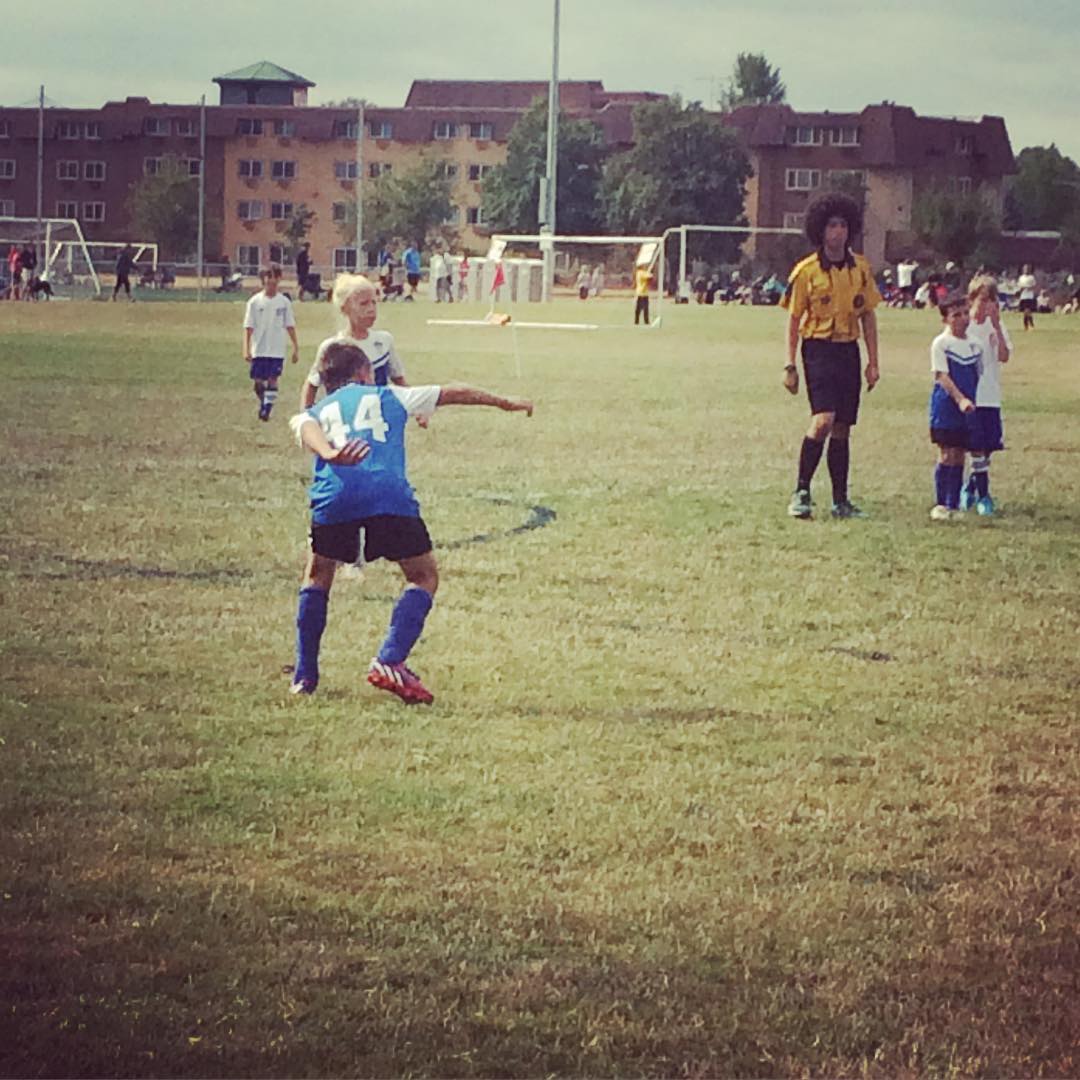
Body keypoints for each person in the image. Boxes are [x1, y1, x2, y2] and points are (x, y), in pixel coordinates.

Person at [286, 341, 533, 701]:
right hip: (388, 496)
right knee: (423, 576)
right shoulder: (391, 395)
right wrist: (504, 402)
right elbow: (455, 391)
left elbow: (307, 428)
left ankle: (304, 675)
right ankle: (390, 658)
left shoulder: (315, 410)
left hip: (334, 497)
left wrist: (329, 453)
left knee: (317, 576)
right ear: (363, 374)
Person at [781, 192, 881, 520]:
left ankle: (840, 500)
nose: (837, 232)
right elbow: (794, 319)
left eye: (842, 225)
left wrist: (873, 361)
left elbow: (868, 315)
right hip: (818, 349)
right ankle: (801, 491)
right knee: (822, 420)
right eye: (831, 226)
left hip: (848, 350)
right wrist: (790, 365)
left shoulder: (861, 269)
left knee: (842, 428)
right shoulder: (806, 272)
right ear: (819, 231)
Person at [299, 273, 411, 410]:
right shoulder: (332, 348)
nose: (371, 309)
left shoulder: (384, 341)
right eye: (364, 304)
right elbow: (312, 384)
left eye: (374, 302)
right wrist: (306, 417)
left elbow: (399, 380)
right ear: (344, 308)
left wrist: (418, 410)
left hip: (378, 420)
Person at [960, 275, 1012, 516]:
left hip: (990, 394)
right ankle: (983, 495)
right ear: (971, 300)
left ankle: (970, 485)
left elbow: (1003, 356)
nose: (986, 305)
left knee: (989, 446)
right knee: (975, 446)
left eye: (991, 300)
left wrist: (998, 327)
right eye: (982, 300)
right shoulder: (963, 326)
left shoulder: (996, 327)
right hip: (971, 396)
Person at [928, 291, 980, 521]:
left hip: (967, 408)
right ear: (945, 319)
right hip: (947, 406)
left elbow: (977, 374)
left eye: (965, 313)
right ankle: (941, 503)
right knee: (946, 453)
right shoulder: (942, 343)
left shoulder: (974, 345)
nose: (962, 319)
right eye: (955, 315)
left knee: (959, 454)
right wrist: (960, 399)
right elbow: (942, 376)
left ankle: (954, 503)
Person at [243, 264, 300, 422]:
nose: (272, 282)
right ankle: (264, 401)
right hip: (259, 349)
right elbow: (248, 327)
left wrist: (295, 347)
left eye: (275, 279)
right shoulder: (254, 302)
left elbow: (290, 326)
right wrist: (246, 348)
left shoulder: (284, 302)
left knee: (273, 379)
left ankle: (266, 409)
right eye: (269, 279)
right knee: (258, 382)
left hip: (276, 350)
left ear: (279, 279)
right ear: (263, 280)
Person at [1016, 264, 1037, 330]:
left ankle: (1030, 325)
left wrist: (1028, 288)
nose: (1026, 270)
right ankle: (1027, 325)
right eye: (1024, 269)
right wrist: (1019, 292)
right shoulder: (1021, 278)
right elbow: (1019, 286)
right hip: (1023, 296)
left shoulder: (1031, 277)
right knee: (1025, 312)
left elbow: (1034, 286)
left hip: (1029, 296)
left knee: (1027, 311)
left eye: (1027, 269)